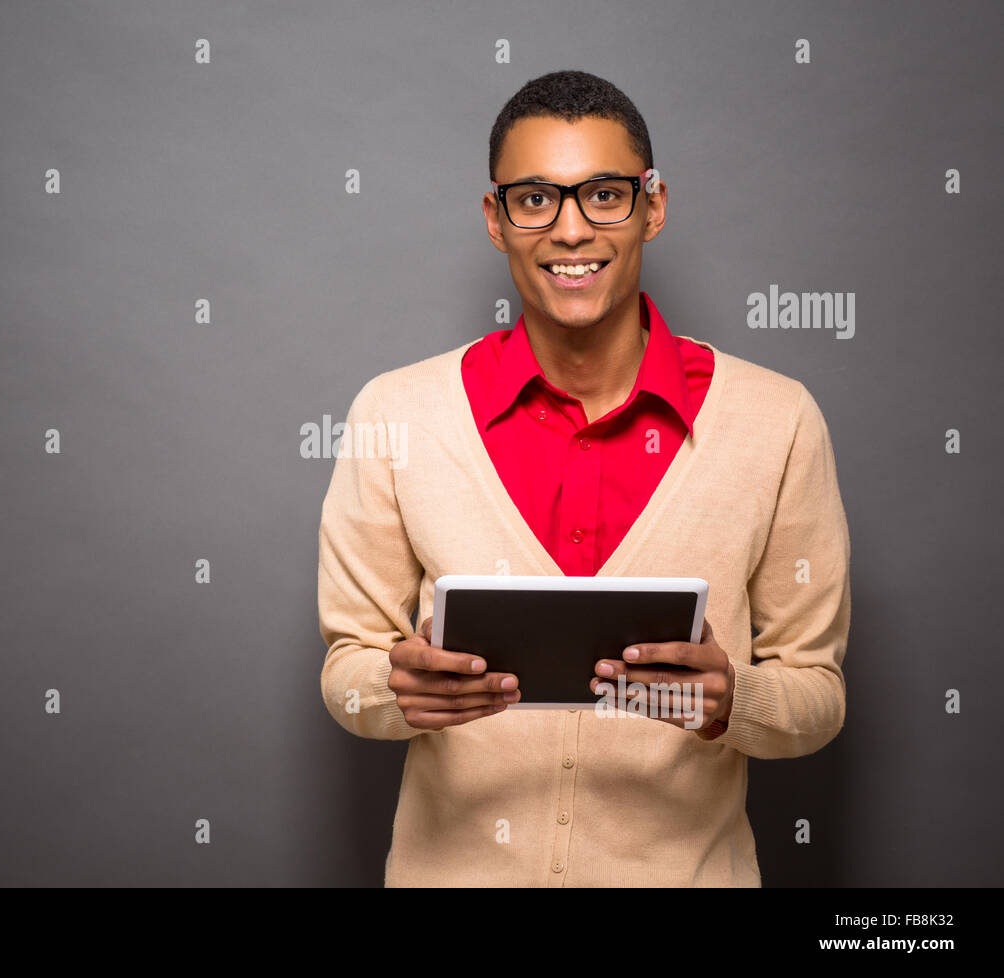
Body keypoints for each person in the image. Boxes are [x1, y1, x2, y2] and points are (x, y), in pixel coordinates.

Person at [317, 69, 852, 887]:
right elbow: (347, 672)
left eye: (604, 194)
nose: (571, 230)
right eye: (536, 198)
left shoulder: (776, 421)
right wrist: (396, 693)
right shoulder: (398, 412)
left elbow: (817, 696)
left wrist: (733, 702)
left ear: (653, 206)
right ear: (496, 220)